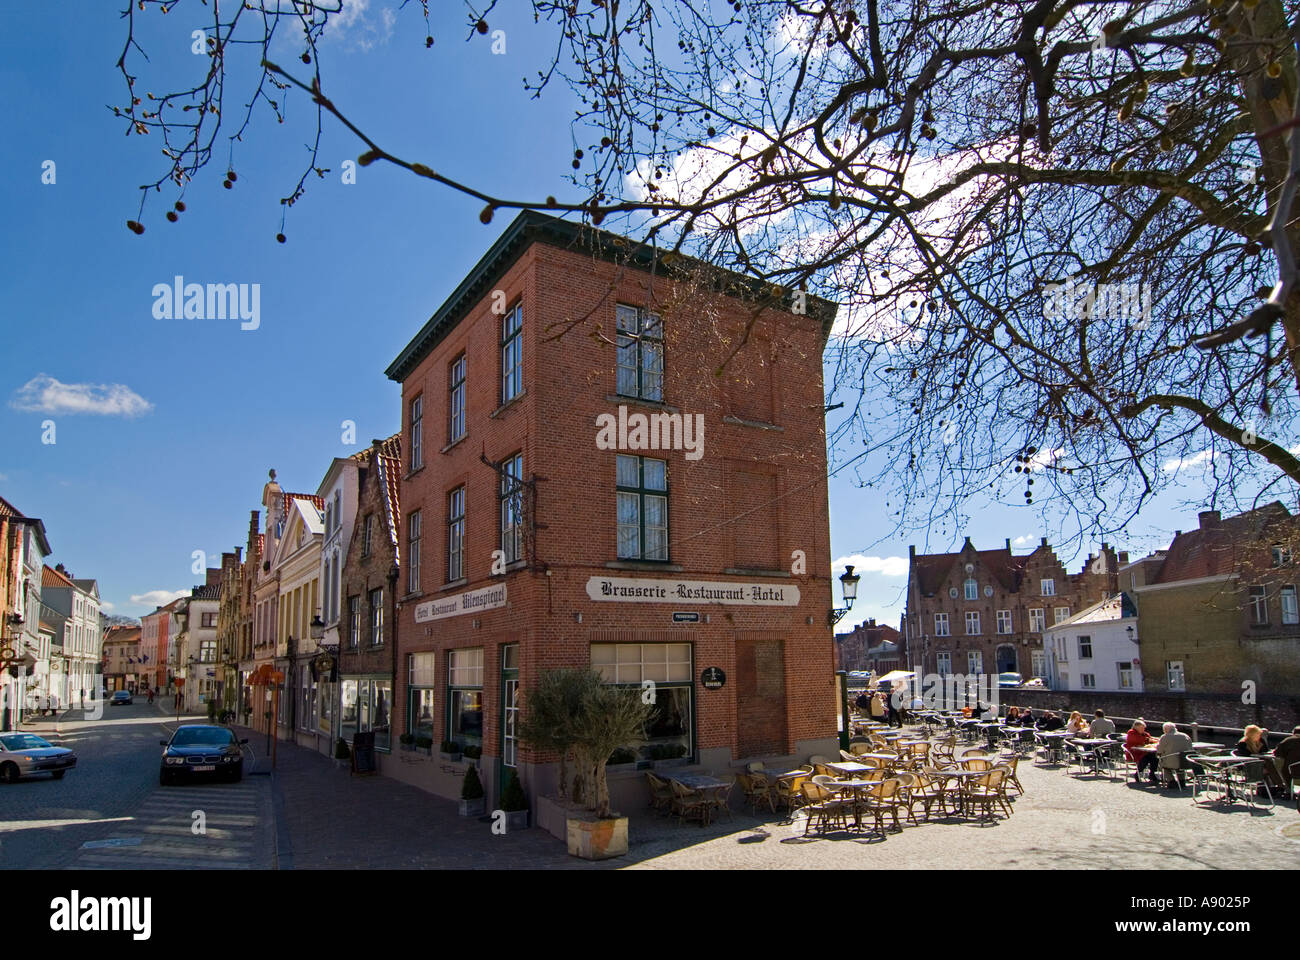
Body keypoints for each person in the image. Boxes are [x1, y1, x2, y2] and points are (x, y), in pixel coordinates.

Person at [1233, 724, 1286, 794]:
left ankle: (1272, 788)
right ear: (1252, 734)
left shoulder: (1260, 740)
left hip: (1260, 762)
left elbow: (1266, 751)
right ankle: (1280, 786)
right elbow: (1244, 757)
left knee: (1268, 762)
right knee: (1268, 764)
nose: (1259, 736)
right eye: (1257, 734)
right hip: (1248, 764)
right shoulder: (1243, 743)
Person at [1156, 722, 1193, 788]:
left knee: (1163, 764)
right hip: (1185, 761)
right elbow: (1191, 748)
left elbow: (1159, 750)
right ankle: (1182, 781)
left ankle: (1171, 781)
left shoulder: (1165, 737)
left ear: (1166, 729)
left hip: (1171, 762)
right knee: (1180, 766)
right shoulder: (1185, 736)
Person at [1125, 719, 1160, 785]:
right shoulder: (1131, 732)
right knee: (1146, 758)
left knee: (1154, 757)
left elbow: (1150, 738)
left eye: (1144, 728)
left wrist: (1154, 740)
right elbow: (1139, 740)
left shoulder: (1144, 733)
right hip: (1134, 753)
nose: (1143, 729)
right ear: (1136, 727)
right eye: (1141, 728)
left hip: (1143, 752)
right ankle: (1139, 773)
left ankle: (1152, 773)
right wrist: (1149, 740)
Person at [1273, 725, 1300, 796]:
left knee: (1279, 767)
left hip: (1293, 770)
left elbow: (1277, 753)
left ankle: (1286, 789)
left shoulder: (1289, 740)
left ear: (1293, 732)